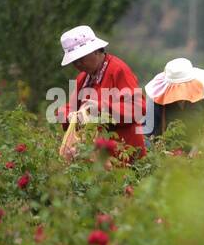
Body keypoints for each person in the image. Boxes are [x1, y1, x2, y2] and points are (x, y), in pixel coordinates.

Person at [56, 25, 146, 155]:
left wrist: (102, 108)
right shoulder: (83, 77)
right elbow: (71, 107)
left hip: (123, 152)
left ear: (96, 51)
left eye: (80, 59)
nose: (77, 64)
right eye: (74, 61)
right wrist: (69, 116)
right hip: (96, 154)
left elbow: (138, 108)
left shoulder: (117, 70)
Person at [144, 57, 204, 144]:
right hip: (166, 152)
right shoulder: (157, 101)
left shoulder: (199, 96)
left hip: (197, 152)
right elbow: (147, 133)